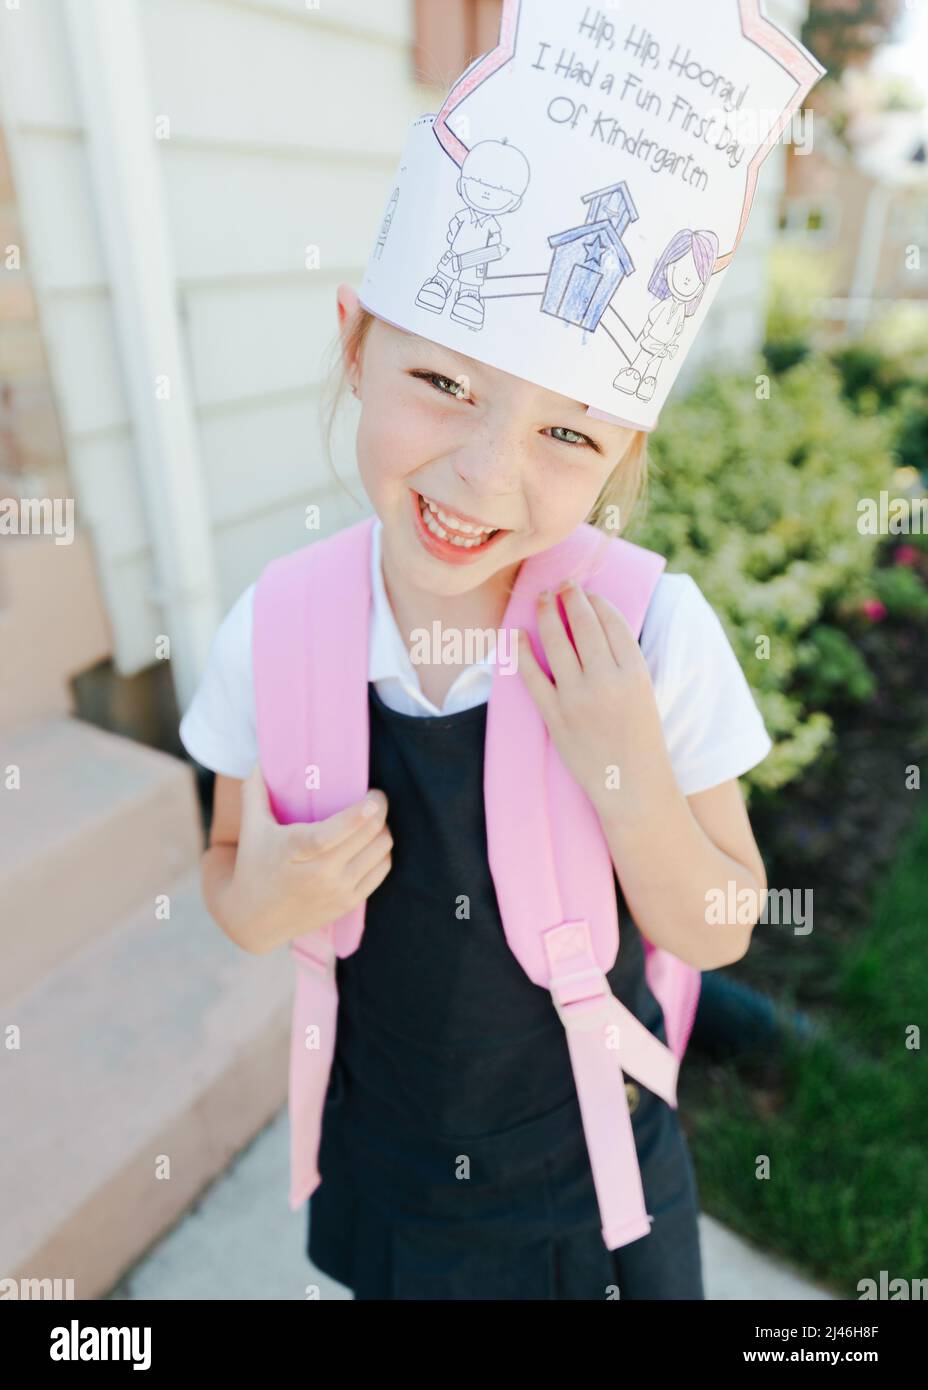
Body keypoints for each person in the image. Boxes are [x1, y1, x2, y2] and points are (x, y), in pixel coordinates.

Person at [178, 287, 774, 1300]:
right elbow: (233, 887)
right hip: (390, 1159)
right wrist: (276, 888)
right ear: (358, 345)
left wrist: (622, 770)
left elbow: (718, 927)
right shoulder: (274, 630)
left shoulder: (651, 631)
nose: (487, 470)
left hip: (590, 1163)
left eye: (564, 432)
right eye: (444, 383)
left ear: (622, 451)